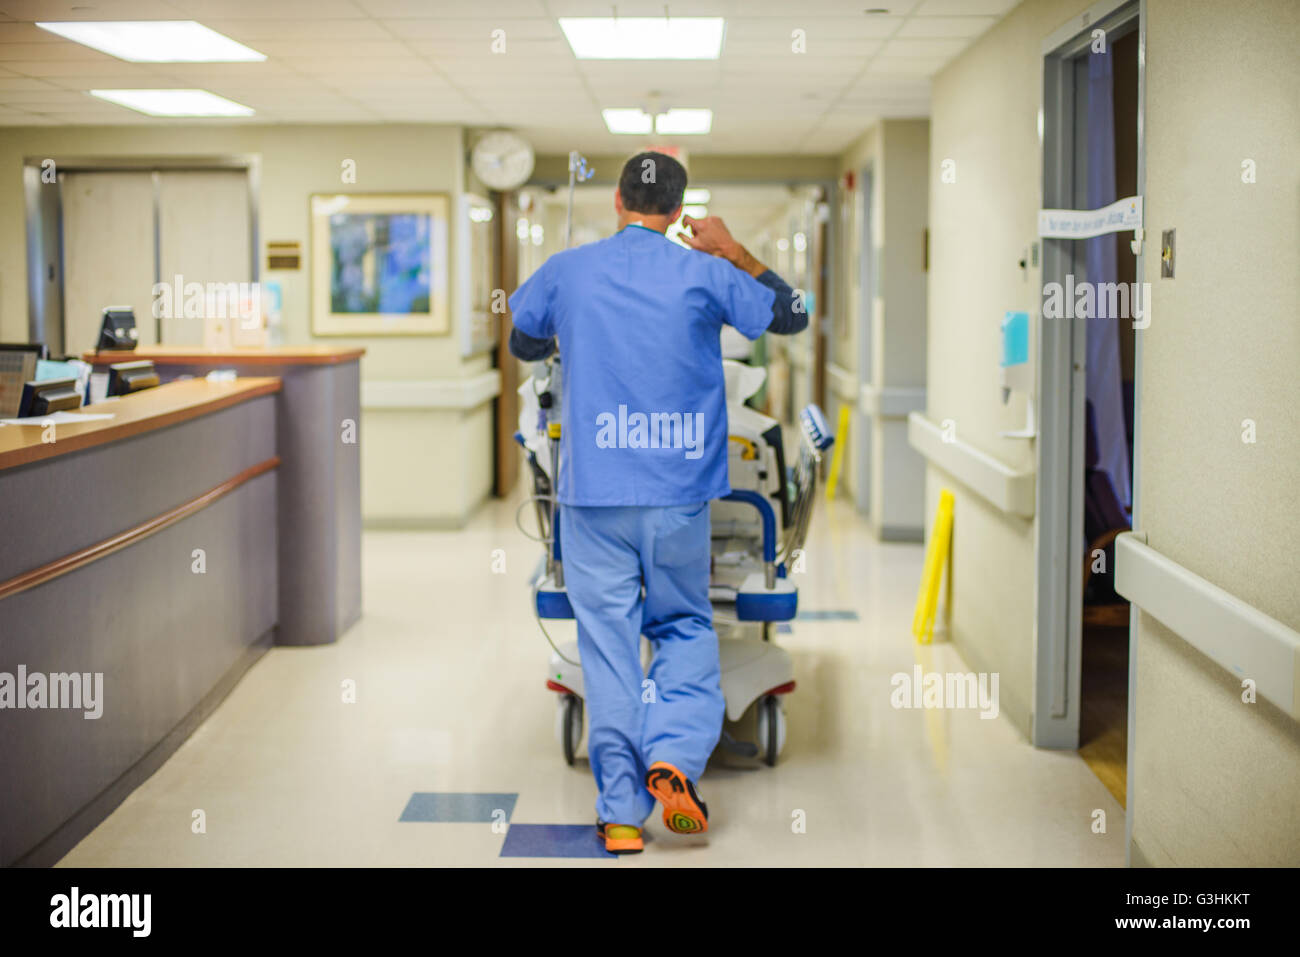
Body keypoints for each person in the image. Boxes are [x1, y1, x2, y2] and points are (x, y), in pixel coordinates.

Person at [508, 151, 807, 854]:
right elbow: (793, 313)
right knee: (682, 625)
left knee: (608, 644)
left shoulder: (569, 270)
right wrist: (732, 251)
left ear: (617, 200)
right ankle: (674, 755)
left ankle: (619, 813)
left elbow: (523, 338)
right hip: (678, 498)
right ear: (679, 213)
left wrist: (577, 327)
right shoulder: (706, 271)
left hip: (594, 498)